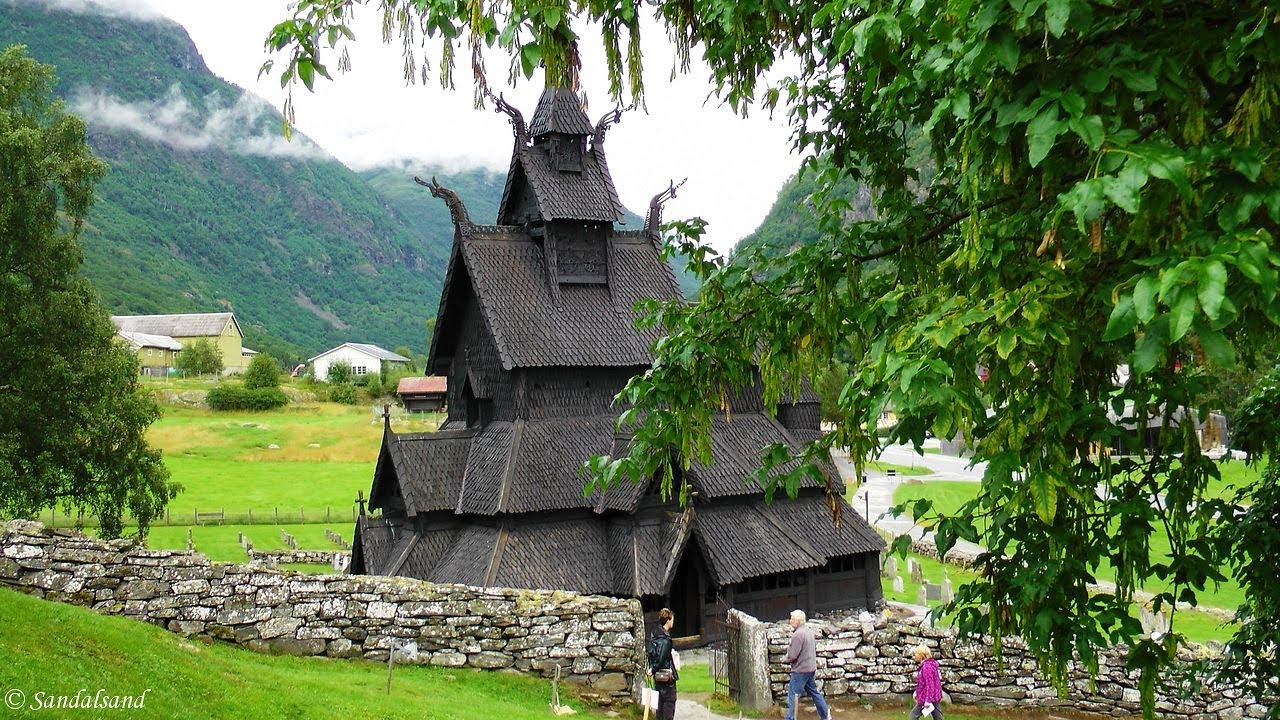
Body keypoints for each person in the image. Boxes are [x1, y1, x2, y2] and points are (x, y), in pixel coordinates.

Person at [783, 609, 830, 720]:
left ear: (798, 621)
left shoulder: (798, 635)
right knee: (814, 693)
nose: (790, 621)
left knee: (793, 695)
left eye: (792, 619)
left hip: (800, 670)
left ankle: (790, 718)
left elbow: (793, 655)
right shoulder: (808, 631)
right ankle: (826, 716)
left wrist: (785, 658)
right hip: (810, 668)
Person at [646, 607, 678, 720]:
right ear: (668, 620)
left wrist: (651, 668)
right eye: (672, 619)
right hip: (666, 677)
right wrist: (654, 668)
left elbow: (650, 653)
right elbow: (661, 658)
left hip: (658, 677)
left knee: (659, 705)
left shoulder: (654, 636)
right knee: (669, 703)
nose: (673, 622)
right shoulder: (665, 640)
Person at [909, 644, 944, 720]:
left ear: (921, 655)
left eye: (916, 654)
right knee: (938, 717)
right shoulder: (928, 665)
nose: (914, 657)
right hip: (932, 696)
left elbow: (930, 684)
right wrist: (916, 692)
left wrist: (928, 700)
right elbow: (922, 683)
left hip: (926, 696)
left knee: (913, 715)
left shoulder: (927, 667)